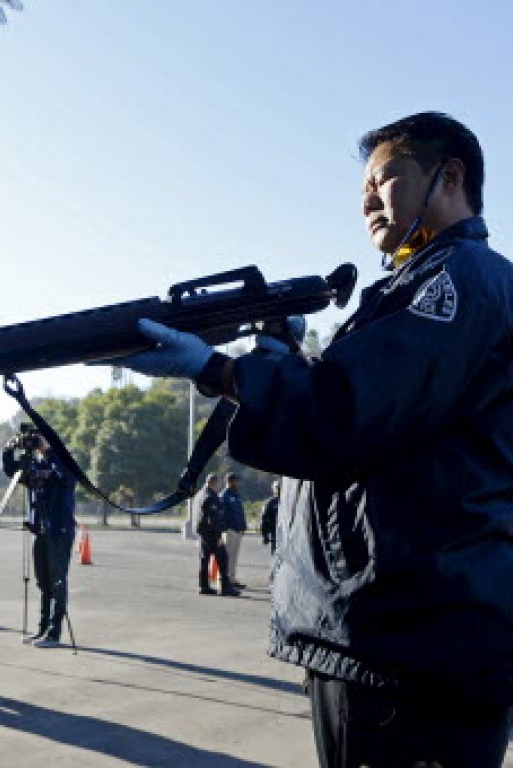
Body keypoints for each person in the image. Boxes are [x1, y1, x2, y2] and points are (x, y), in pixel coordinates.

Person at [97, 113, 513, 767]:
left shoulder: (459, 279)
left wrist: (217, 369)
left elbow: (343, 415)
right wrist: (283, 358)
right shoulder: (423, 284)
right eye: (362, 191)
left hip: (412, 644)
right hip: (394, 636)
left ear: (449, 175)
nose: (370, 200)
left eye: (387, 178)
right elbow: (375, 416)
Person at [2, 429, 76, 648]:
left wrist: (48, 450)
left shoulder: (64, 462)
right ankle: (42, 629)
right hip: (39, 530)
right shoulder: (34, 466)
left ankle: (54, 633)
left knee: (57, 581)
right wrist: (9, 449)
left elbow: (66, 477)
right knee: (43, 582)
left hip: (59, 530)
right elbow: (11, 472)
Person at [195, 473, 239, 597]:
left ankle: (204, 586)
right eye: (218, 483)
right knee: (223, 559)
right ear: (214, 483)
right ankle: (226, 588)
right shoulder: (210, 496)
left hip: (204, 532)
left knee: (205, 560)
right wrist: (219, 536)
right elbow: (213, 518)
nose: (219, 485)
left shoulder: (202, 494)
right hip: (212, 534)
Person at [220, 472, 247, 589]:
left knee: (234, 556)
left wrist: (243, 526)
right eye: (236, 481)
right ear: (230, 482)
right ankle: (224, 579)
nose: (238, 483)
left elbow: (240, 512)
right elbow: (221, 514)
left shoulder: (236, 494)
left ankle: (232, 578)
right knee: (228, 556)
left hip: (237, 530)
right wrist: (225, 528)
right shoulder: (224, 495)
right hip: (230, 530)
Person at [260, 480, 279, 555]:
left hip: (286, 533)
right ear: (273, 489)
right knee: (276, 554)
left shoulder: (287, 502)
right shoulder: (270, 503)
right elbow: (264, 519)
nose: (279, 490)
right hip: (274, 532)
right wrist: (265, 535)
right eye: (277, 488)